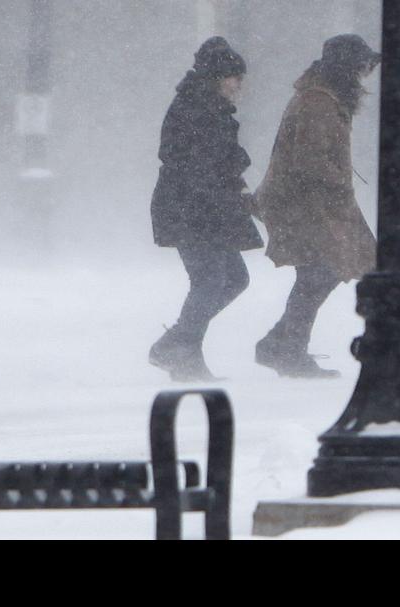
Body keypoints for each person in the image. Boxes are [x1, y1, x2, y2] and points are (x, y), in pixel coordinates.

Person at [253, 34, 382, 379]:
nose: (366, 74)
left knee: (319, 272)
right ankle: (285, 347)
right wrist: (340, 182)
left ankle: (282, 344)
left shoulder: (322, 97)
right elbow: (310, 161)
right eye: (362, 66)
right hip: (307, 205)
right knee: (320, 270)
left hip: (311, 203)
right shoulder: (318, 103)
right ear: (347, 68)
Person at [148, 37, 264, 383]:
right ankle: (183, 352)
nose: (239, 84)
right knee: (211, 280)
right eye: (234, 77)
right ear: (217, 77)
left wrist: (234, 192)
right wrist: (224, 191)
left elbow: (218, 161)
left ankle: (178, 344)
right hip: (192, 209)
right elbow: (195, 163)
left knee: (232, 279)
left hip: (205, 207)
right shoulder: (197, 107)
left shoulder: (208, 106)